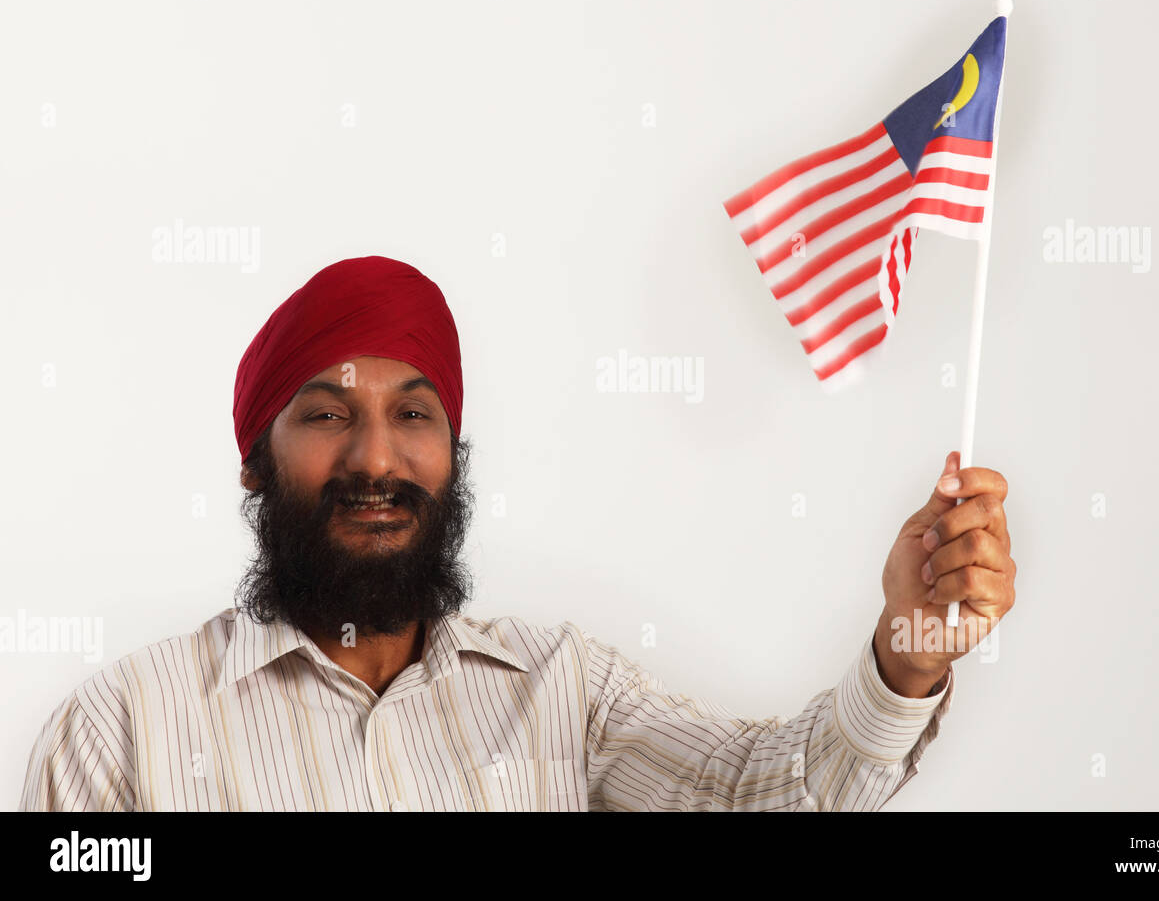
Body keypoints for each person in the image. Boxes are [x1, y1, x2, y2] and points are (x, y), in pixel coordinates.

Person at [19, 255, 1015, 811]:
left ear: (453, 455)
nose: (376, 459)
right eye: (326, 414)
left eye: (414, 414)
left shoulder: (563, 692)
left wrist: (907, 646)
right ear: (254, 462)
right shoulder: (120, 732)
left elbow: (768, 792)